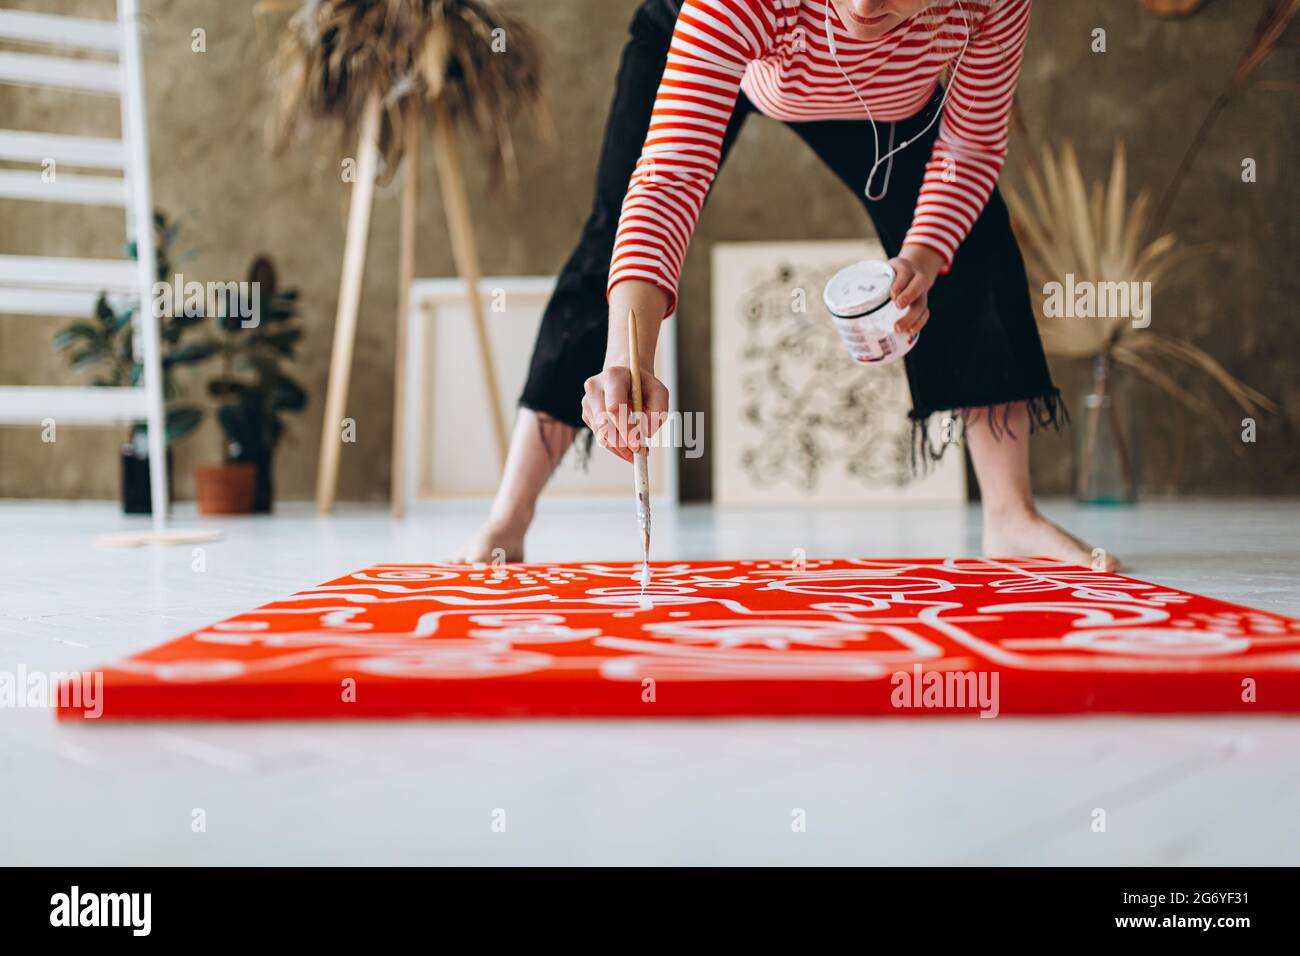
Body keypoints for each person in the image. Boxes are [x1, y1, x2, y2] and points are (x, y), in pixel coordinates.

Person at [455, 0, 1118, 571]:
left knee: (973, 240)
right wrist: (629, 358)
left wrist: (922, 254)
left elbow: (969, 147)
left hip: (883, 97)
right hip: (734, 42)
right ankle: (509, 518)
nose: (861, 5)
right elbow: (668, 180)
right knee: (612, 244)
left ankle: (1009, 515)